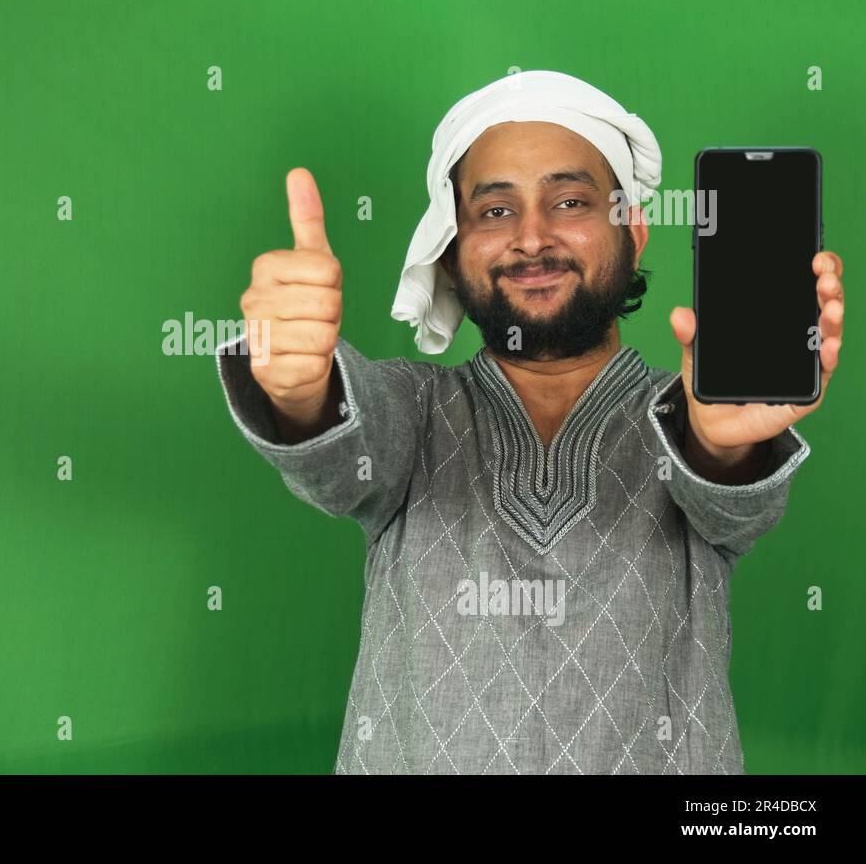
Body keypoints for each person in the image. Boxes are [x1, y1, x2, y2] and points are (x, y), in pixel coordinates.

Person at [214, 70, 846, 774]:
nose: (532, 237)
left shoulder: (690, 417)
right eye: (493, 212)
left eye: (570, 200)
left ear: (634, 230)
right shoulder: (414, 411)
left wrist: (721, 450)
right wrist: (299, 387)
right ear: (452, 253)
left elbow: (733, 507)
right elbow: (339, 446)